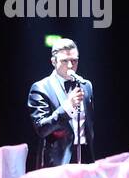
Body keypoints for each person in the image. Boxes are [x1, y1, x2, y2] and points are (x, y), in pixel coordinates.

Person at [27, 38, 95, 169]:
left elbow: (89, 126)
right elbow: (42, 128)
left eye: (74, 61)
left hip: (85, 156)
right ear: (53, 61)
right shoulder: (41, 88)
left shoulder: (86, 86)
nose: (70, 66)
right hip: (57, 161)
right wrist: (67, 107)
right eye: (65, 61)